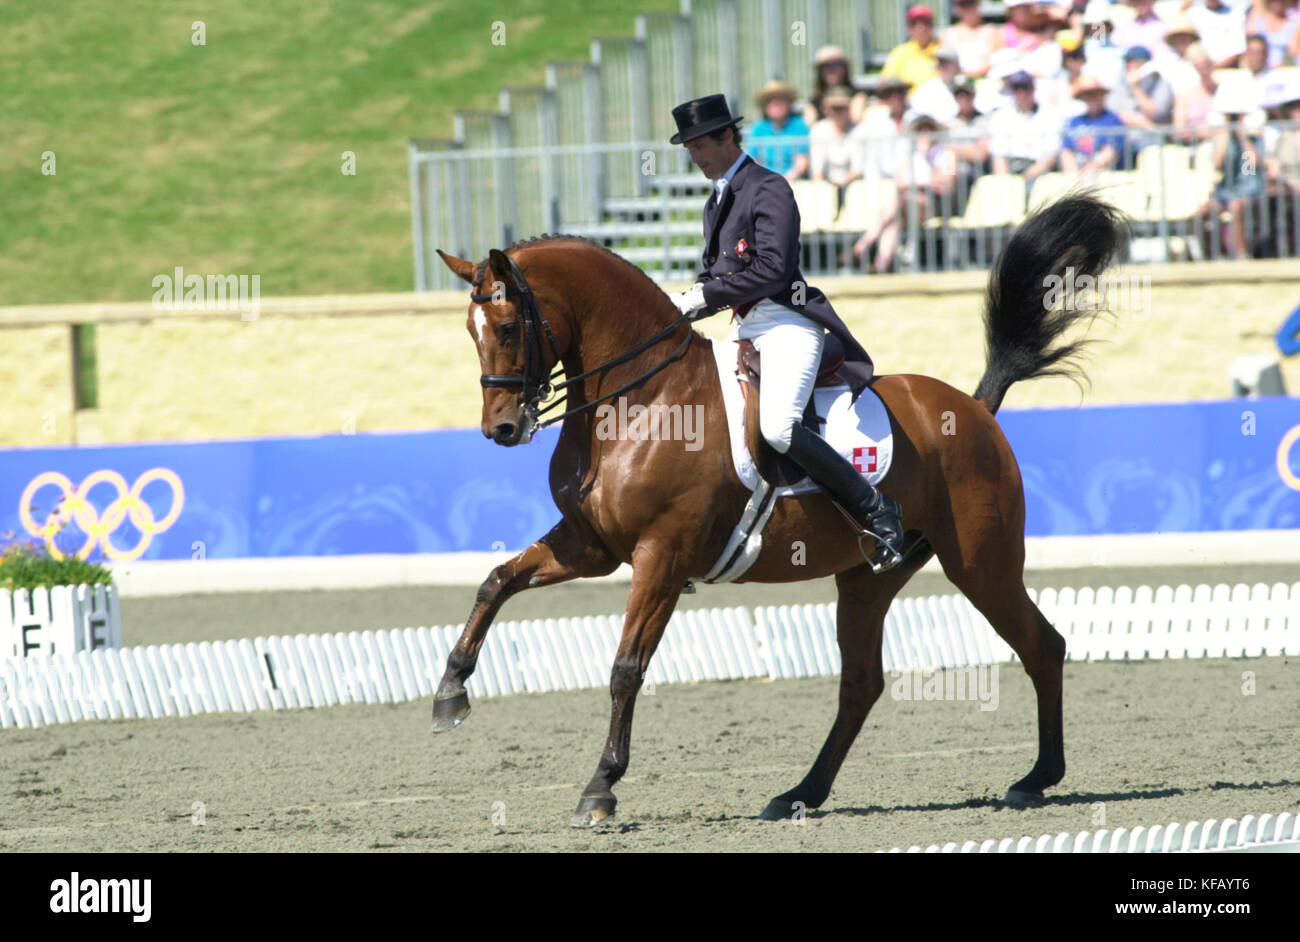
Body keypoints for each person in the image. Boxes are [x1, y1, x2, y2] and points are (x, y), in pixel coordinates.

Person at [664, 94, 905, 568]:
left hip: (787, 323)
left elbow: (774, 269)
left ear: (727, 136)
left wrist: (707, 296)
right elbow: (718, 277)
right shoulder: (716, 203)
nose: (695, 158)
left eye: (700, 146)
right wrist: (683, 303)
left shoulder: (768, 188)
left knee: (776, 427)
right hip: (746, 329)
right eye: (689, 149)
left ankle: (879, 512)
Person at [1205, 79, 1267, 258]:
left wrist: (1243, 138)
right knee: (1202, 214)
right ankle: (1209, 257)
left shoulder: (1253, 139)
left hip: (1249, 190)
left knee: (1236, 206)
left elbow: (1250, 168)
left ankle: (1241, 255)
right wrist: (1225, 136)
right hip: (1226, 191)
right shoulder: (1221, 138)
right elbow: (1218, 164)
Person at [989, 70, 1063, 184]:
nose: (1021, 93)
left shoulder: (1050, 115)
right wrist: (1005, 182)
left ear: (1033, 89)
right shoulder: (1001, 116)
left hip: (1040, 171)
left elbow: (1051, 156)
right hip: (1011, 169)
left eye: (1025, 88)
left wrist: (1025, 178)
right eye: (1016, 89)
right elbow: (999, 156)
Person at [1061, 75, 1127, 173]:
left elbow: (1111, 152)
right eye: (1088, 94)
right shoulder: (1074, 122)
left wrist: (1090, 170)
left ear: (1101, 95)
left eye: (1095, 93)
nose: (1092, 98)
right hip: (1078, 174)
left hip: (1104, 174)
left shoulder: (1112, 120)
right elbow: (1066, 152)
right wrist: (1074, 175)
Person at [749, 81, 811, 182]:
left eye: (780, 99)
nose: (776, 103)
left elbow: (802, 160)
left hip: (794, 181)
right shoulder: (758, 129)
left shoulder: (800, 126)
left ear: (789, 103)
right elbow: (754, 161)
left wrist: (788, 179)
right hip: (765, 182)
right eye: (770, 100)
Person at [808, 85, 859, 191]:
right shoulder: (818, 130)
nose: (839, 112)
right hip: (826, 187)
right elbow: (817, 170)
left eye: (842, 107)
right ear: (825, 109)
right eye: (834, 108)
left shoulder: (859, 130)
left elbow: (857, 169)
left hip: (853, 186)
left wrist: (843, 187)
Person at [804, 45, 869, 125]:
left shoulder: (857, 97)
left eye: (836, 64)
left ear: (845, 68)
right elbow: (811, 127)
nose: (831, 70)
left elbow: (856, 119)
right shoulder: (813, 104)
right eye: (825, 66)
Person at [882, 5, 941, 90]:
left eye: (925, 22)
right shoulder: (900, 53)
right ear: (909, 28)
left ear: (932, 25)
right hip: (908, 100)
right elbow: (887, 82)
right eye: (914, 24)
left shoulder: (942, 50)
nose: (921, 28)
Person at [942, 0, 1000, 77]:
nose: (968, 8)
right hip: (955, 82)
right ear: (956, 7)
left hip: (985, 81)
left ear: (978, 4)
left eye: (971, 3)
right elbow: (944, 62)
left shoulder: (991, 32)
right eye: (963, 4)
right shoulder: (948, 33)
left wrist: (970, 76)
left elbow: (993, 62)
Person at [1189, 0, 1249, 69]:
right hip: (1200, 70)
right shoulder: (1193, 14)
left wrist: (1215, 67)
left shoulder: (1237, 14)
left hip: (1230, 69)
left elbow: (1240, 49)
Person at [908, 45, 962, 123]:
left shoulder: (966, 85)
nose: (942, 67)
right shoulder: (926, 90)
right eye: (940, 63)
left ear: (957, 65)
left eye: (946, 63)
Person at [1244, 0, 1300, 67]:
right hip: (1261, 66)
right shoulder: (1258, 21)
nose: (1277, 3)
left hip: (1286, 65)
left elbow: (1293, 51)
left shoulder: (1293, 22)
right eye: (1272, 0)